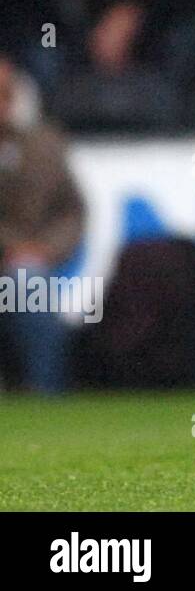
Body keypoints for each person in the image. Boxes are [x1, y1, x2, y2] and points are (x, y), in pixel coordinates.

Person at [0, 57, 85, 393]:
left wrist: (47, 248)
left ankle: (45, 391)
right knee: (26, 279)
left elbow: (72, 210)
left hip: (35, 263)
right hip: (14, 257)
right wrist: (13, 247)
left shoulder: (45, 144)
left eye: (5, 95)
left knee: (27, 281)